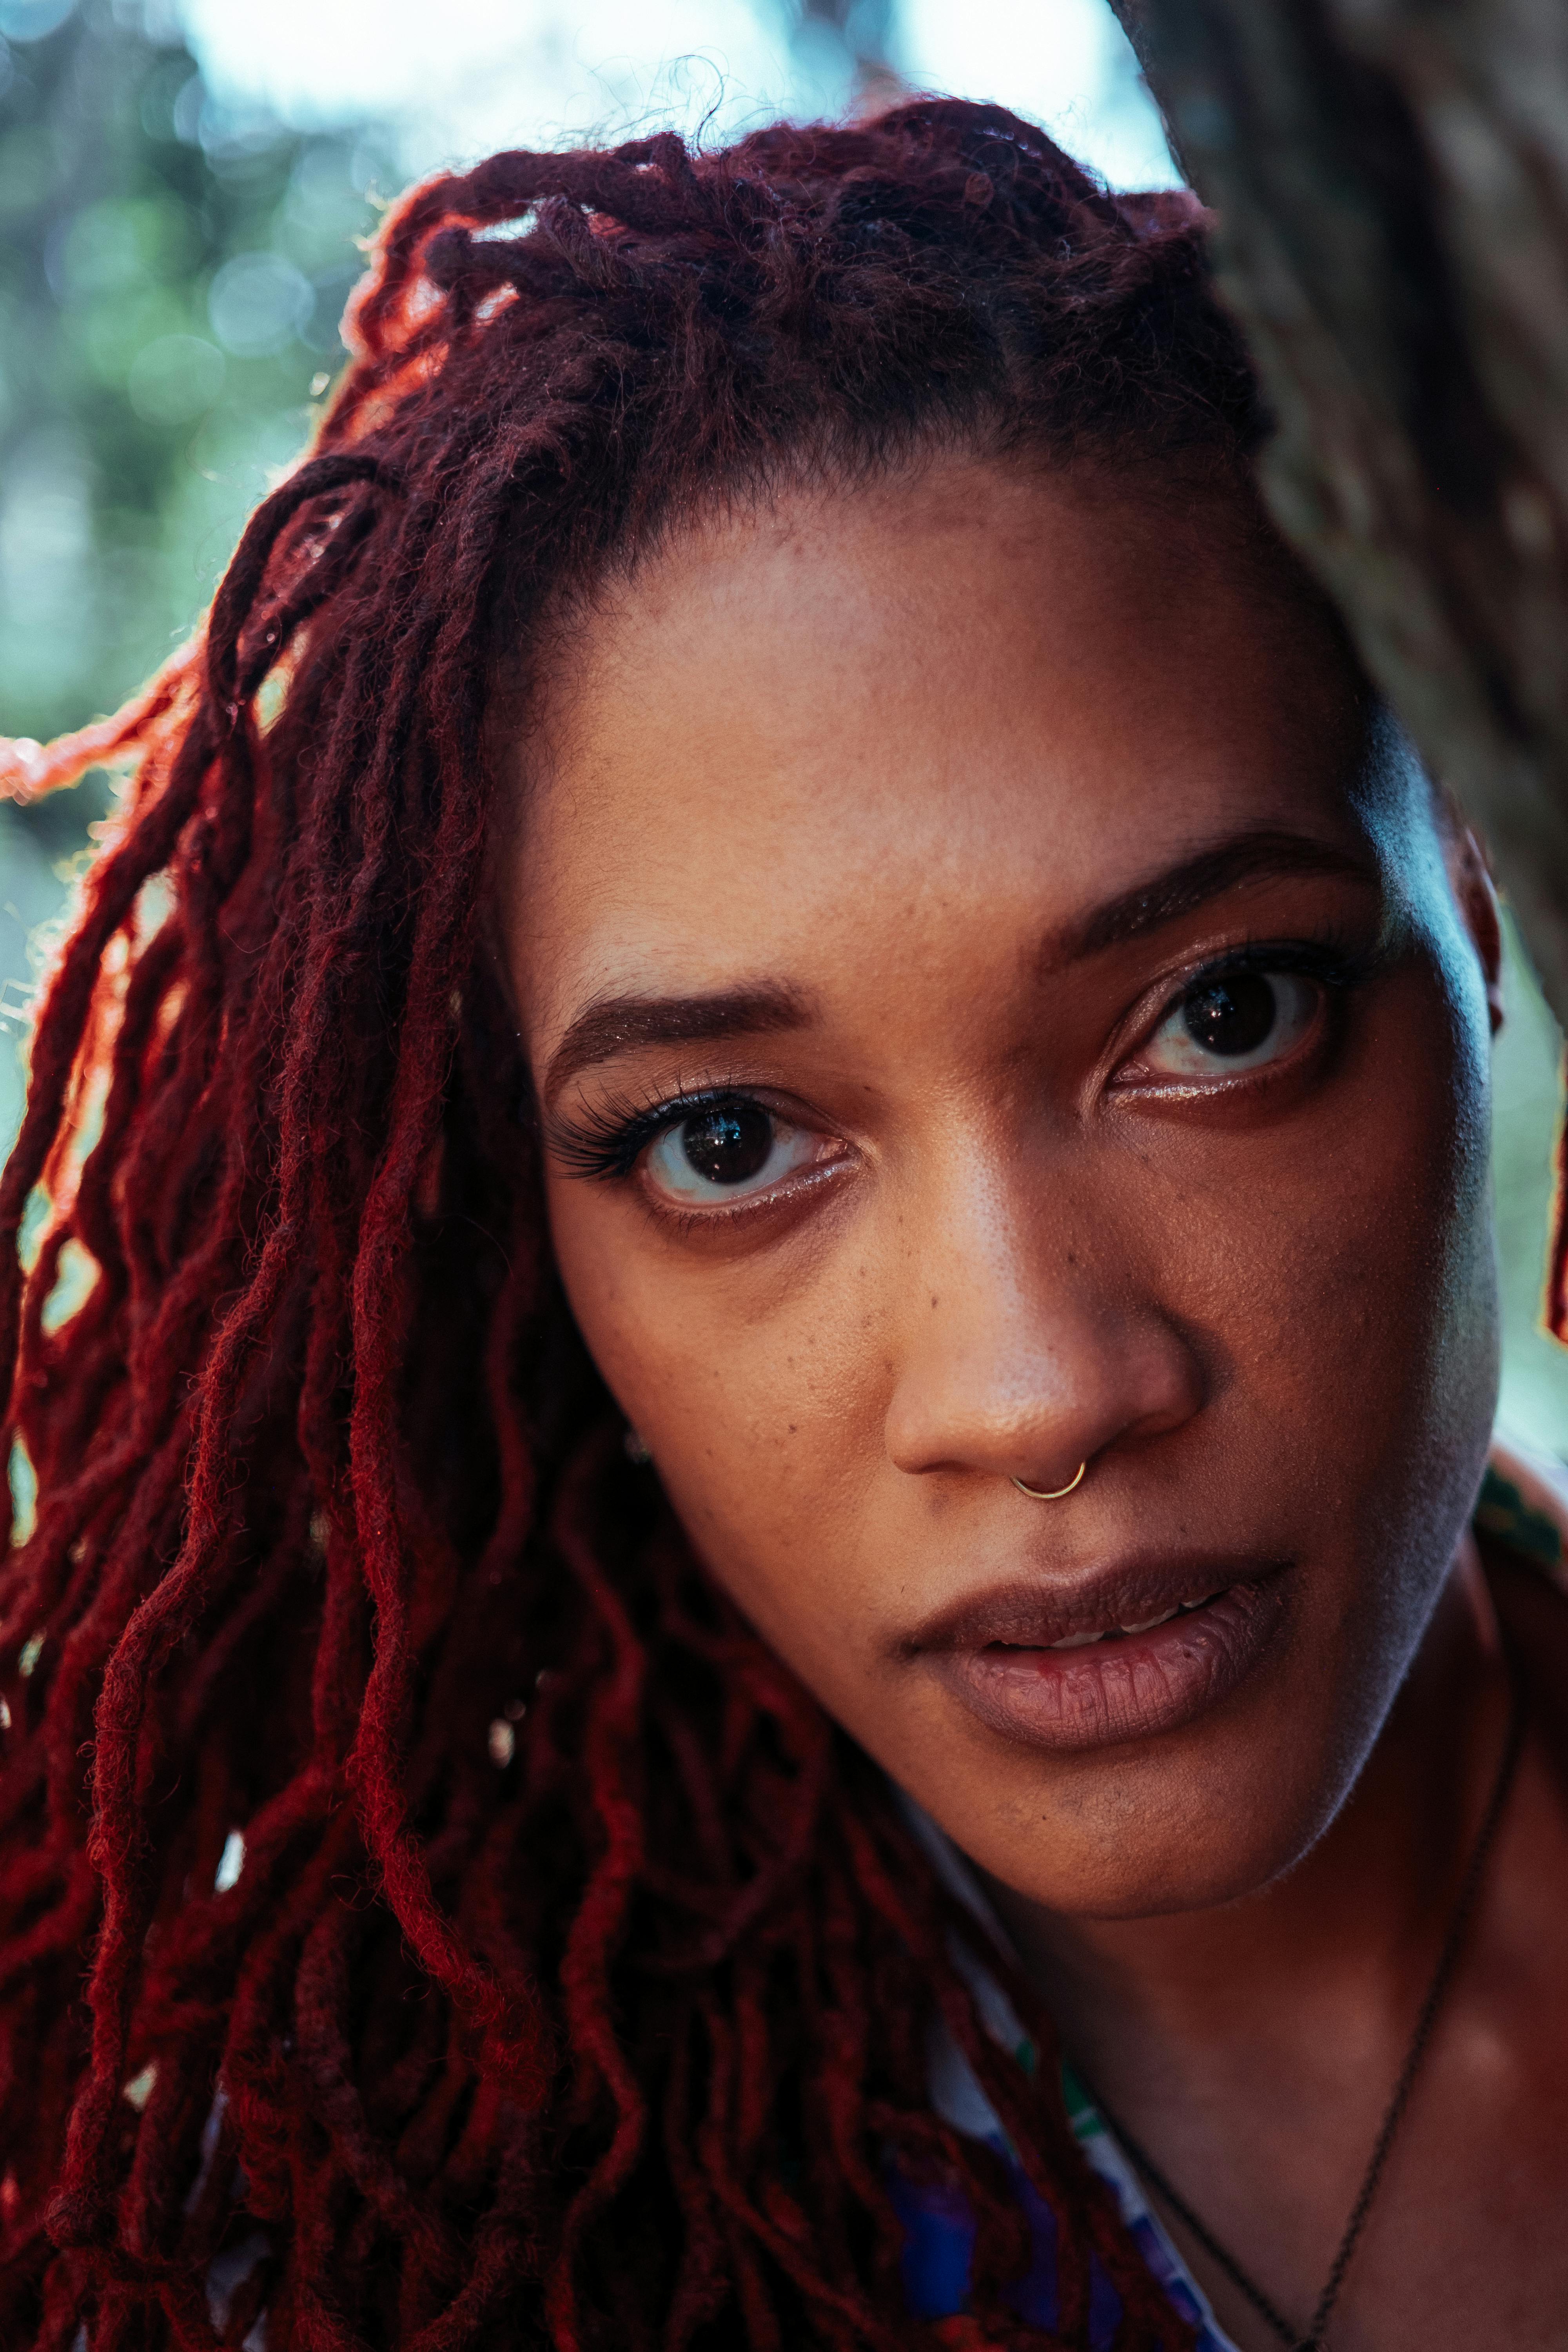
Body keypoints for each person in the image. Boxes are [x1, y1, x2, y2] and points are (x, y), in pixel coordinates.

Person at [0, 96, 1563, 2352]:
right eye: (727, 1142)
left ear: (1484, 926)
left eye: (1220, 1015)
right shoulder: (375, 2267)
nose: (1039, 1391)